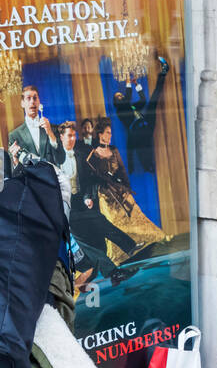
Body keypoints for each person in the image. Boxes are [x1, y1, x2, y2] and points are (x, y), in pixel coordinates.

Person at [61, 121, 135, 277]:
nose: (72, 139)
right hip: (67, 210)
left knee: (102, 224)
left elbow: (88, 180)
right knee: (86, 245)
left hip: (82, 202)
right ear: (61, 137)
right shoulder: (54, 158)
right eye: (69, 136)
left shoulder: (81, 155)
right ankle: (113, 272)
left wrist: (88, 197)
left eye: (74, 135)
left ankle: (131, 247)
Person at [83, 122, 165, 262]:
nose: (110, 135)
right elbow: (91, 178)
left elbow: (121, 170)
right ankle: (122, 255)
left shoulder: (114, 150)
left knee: (136, 217)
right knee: (115, 223)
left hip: (120, 191)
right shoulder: (93, 155)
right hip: (106, 195)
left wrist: (126, 188)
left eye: (110, 133)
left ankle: (145, 246)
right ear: (100, 134)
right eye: (107, 132)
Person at [112, 52, 171, 174]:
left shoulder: (131, 106)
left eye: (120, 94)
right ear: (116, 102)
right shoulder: (120, 110)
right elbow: (127, 98)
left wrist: (136, 84)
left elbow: (143, 100)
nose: (120, 95)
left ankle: (164, 72)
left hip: (146, 123)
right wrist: (128, 82)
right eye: (118, 96)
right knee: (142, 153)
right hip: (137, 131)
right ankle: (147, 168)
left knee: (154, 98)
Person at [7, 85, 65, 165]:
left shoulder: (53, 129)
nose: (32, 101)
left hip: (51, 176)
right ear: (22, 103)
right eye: (28, 98)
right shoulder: (15, 135)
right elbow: (15, 170)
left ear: (39, 102)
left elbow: (61, 159)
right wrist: (14, 159)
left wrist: (50, 134)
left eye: (35, 98)